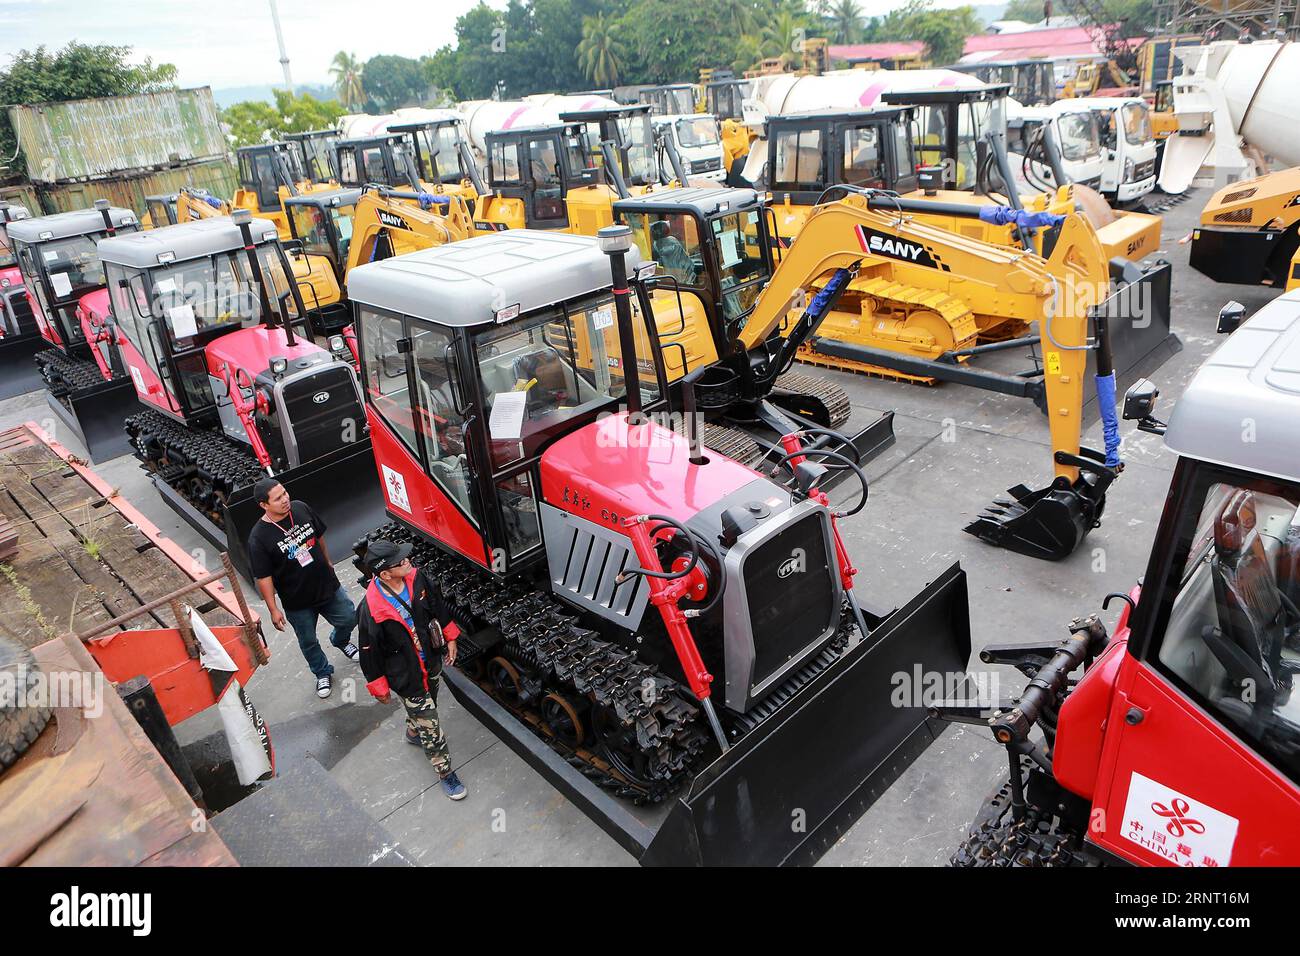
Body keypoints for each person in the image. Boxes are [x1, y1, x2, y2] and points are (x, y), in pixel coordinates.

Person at [356, 538, 467, 801]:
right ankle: (445, 771)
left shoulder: (417, 579)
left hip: (430, 660)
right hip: (405, 675)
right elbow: (368, 652)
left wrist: (450, 636)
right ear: (385, 573)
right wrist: (379, 685)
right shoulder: (370, 609)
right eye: (400, 561)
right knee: (432, 725)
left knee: (432, 700)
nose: (407, 561)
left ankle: (413, 729)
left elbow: (438, 606)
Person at [247, 478, 358, 699]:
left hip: (327, 585)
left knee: (349, 617)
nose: (285, 499)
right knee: (308, 640)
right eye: (278, 498)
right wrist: (273, 609)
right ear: (264, 505)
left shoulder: (300, 508)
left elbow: (318, 537)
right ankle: (322, 672)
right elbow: (263, 577)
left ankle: (341, 641)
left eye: (285, 493)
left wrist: (327, 561)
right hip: (297, 601)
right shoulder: (258, 538)